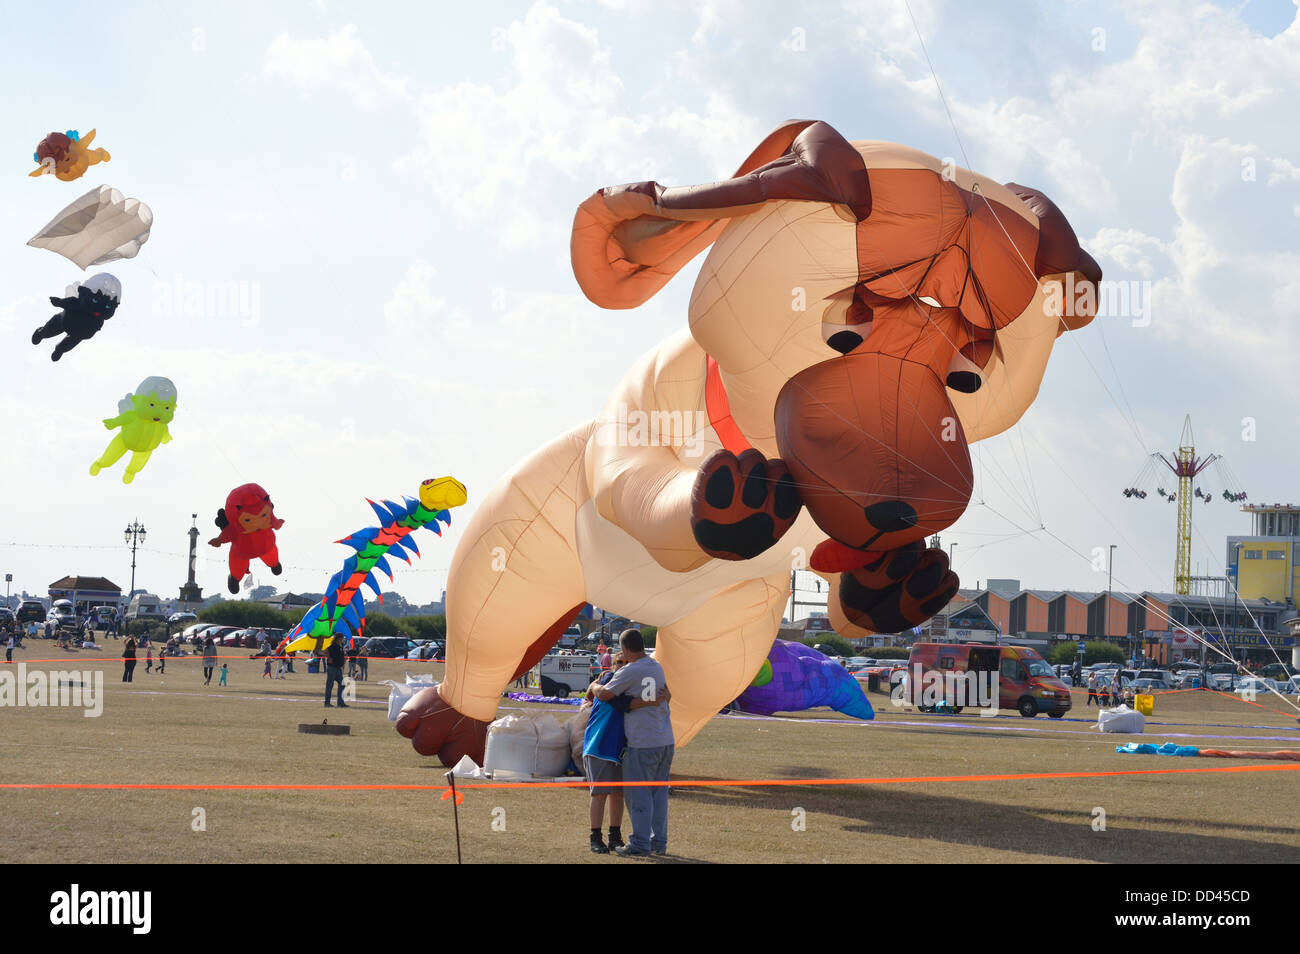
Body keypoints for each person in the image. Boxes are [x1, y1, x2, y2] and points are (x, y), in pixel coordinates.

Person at [593, 629, 674, 857]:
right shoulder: (656, 666)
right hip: (665, 740)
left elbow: (605, 695)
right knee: (658, 795)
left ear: (626, 649)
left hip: (643, 742)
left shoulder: (630, 670)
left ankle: (640, 843)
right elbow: (664, 696)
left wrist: (595, 687)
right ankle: (658, 841)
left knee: (638, 794)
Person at [324, 637, 348, 708]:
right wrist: (329, 658)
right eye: (342, 638)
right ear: (338, 639)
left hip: (338, 669)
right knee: (329, 686)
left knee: (342, 684)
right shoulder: (333, 645)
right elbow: (326, 650)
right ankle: (327, 703)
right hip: (332, 668)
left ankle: (340, 703)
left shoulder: (340, 646)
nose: (343, 639)